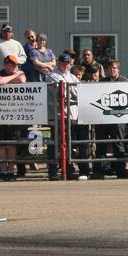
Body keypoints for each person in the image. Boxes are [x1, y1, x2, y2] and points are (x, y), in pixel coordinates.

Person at [0, 54, 26, 180]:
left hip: (14, 113)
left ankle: (10, 171)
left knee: (11, 143)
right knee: (0, 144)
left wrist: (14, 76)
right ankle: (3, 171)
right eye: (12, 65)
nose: (15, 67)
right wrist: (15, 76)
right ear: (6, 65)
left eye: (16, 65)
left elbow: (22, 81)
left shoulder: (20, 73)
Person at [46, 51, 81, 179]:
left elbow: (78, 91)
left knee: (68, 144)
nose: (66, 65)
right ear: (59, 63)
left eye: (68, 63)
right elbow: (64, 91)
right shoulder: (52, 75)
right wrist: (72, 89)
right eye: (63, 62)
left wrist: (71, 89)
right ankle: (53, 171)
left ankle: (68, 169)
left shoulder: (71, 76)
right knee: (56, 143)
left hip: (70, 115)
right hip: (58, 115)